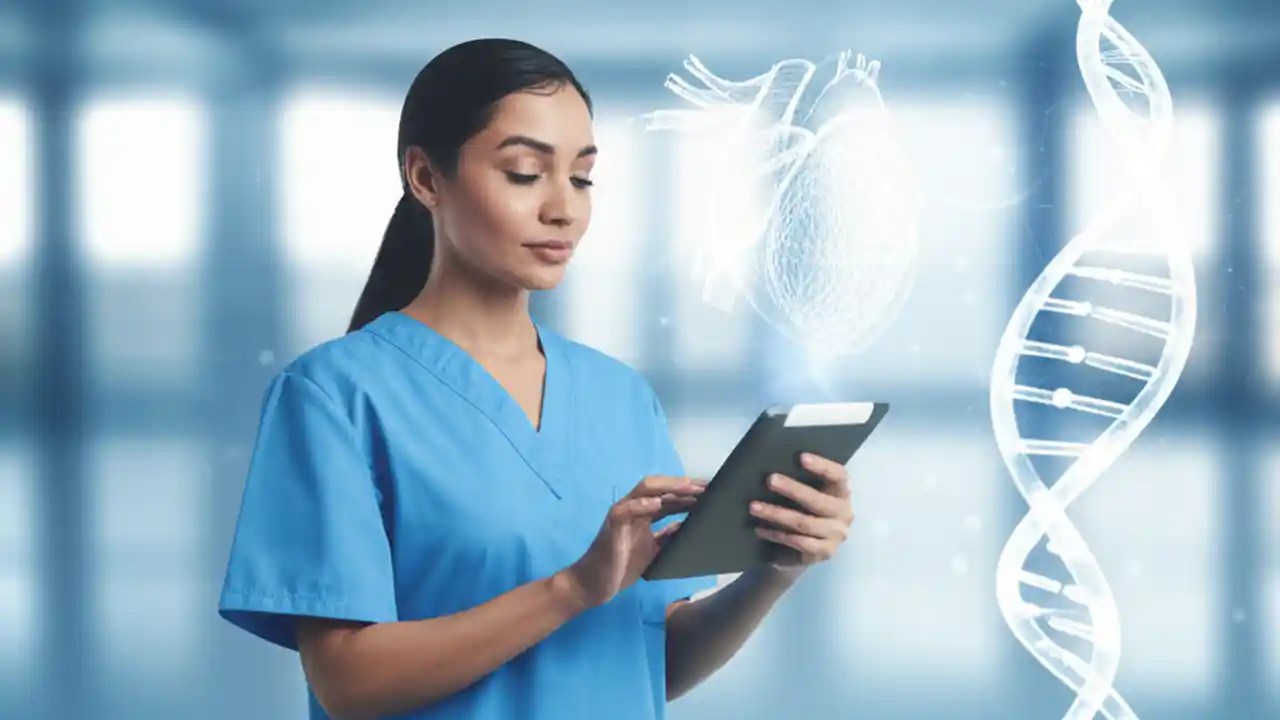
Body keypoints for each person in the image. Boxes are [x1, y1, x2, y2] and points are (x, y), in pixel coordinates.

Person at [217, 38, 858, 720]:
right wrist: (571, 589)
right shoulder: (334, 397)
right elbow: (348, 683)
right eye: (525, 173)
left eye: (581, 178)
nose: (564, 208)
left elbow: (648, 662)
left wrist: (774, 573)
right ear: (426, 179)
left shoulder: (621, 399)